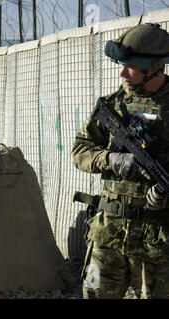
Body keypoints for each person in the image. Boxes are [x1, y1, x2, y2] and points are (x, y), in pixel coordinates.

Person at [72, 23, 169, 299]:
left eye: (130, 66)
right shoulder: (114, 105)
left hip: (157, 241)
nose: (122, 72)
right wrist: (111, 159)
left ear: (154, 67)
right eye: (122, 65)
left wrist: (164, 195)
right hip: (108, 233)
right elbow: (80, 151)